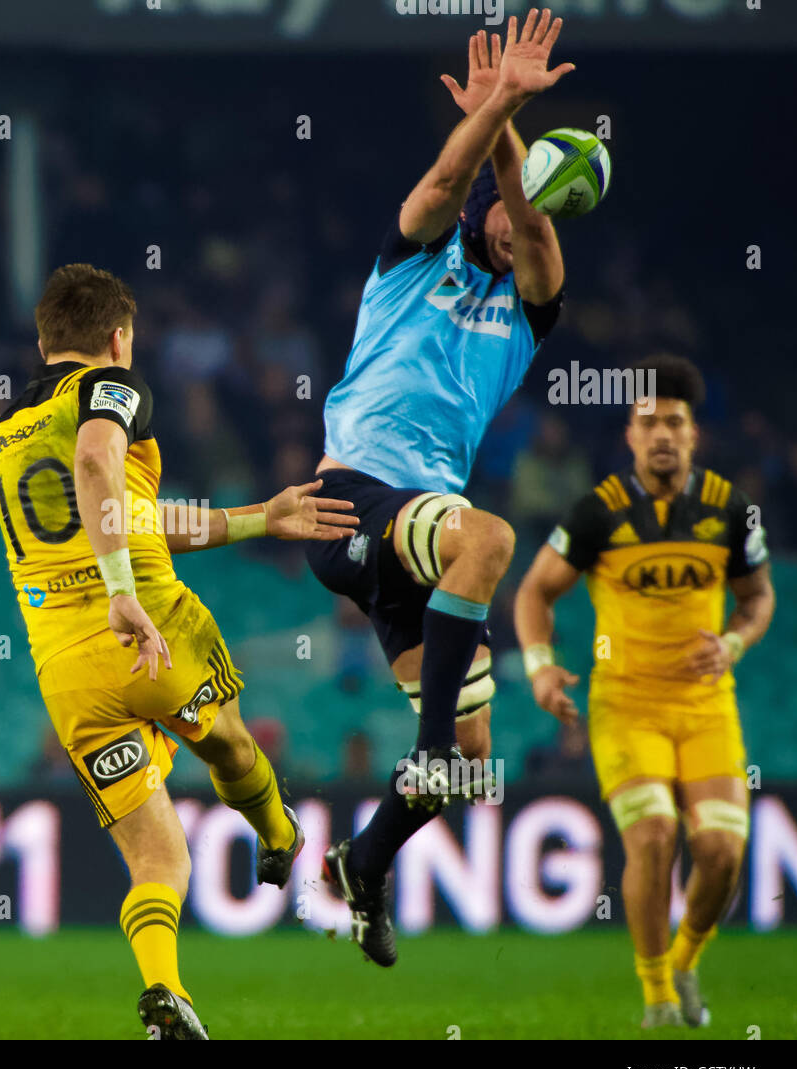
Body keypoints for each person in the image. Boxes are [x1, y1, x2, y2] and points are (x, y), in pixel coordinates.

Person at [0, 263, 357, 1039]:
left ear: (43, 338)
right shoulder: (111, 389)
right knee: (228, 746)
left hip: (66, 670)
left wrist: (259, 518)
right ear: (119, 339)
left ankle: (167, 995)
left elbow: (129, 514)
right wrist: (121, 590)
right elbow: (97, 468)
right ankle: (280, 832)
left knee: (158, 861)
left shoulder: (1, 438)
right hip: (151, 626)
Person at [304, 11, 574, 967]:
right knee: (492, 541)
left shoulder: (534, 303)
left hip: (420, 540)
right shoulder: (412, 256)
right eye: (506, 199)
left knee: (470, 766)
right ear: (476, 214)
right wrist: (497, 109)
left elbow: (526, 210)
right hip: (358, 501)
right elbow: (446, 182)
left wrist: (509, 119)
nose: (523, 212)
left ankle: (365, 863)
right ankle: (418, 749)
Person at [514, 355, 774, 1030]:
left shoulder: (730, 510)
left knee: (720, 852)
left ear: (695, 435)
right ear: (630, 434)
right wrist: (541, 666)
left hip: (705, 705)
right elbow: (536, 590)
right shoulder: (597, 513)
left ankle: (687, 958)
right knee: (655, 835)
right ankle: (656, 992)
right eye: (648, 422)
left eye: (675, 423)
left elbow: (758, 595)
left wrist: (736, 642)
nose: (662, 434)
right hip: (625, 704)